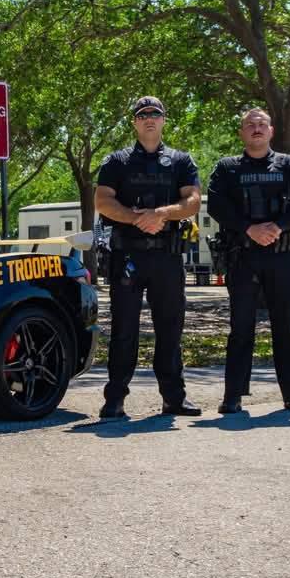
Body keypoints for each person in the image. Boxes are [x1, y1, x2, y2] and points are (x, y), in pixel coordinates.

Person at [94, 96, 202, 419]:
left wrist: (160, 215)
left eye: (155, 114)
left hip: (167, 259)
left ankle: (174, 398)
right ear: (135, 122)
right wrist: (135, 218)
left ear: (164, 120)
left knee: (170, 329)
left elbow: (193, 201)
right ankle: (114, 400)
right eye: (142, 115)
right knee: (123, 330)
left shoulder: (181, 161)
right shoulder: (116, 161)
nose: (149, 119)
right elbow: (102, 200)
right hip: (127, 257)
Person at [206, 108, 290, 414]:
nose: (256, 129)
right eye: (249, 125)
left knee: (287, 327)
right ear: (242, 133)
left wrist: (278, 227)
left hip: (281, 257)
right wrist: (249, 228)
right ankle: (233, 396)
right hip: (242, 257)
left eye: (262, 124)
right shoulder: (227, 168)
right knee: (240, 328)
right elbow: (216, 204)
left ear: (271, 131)